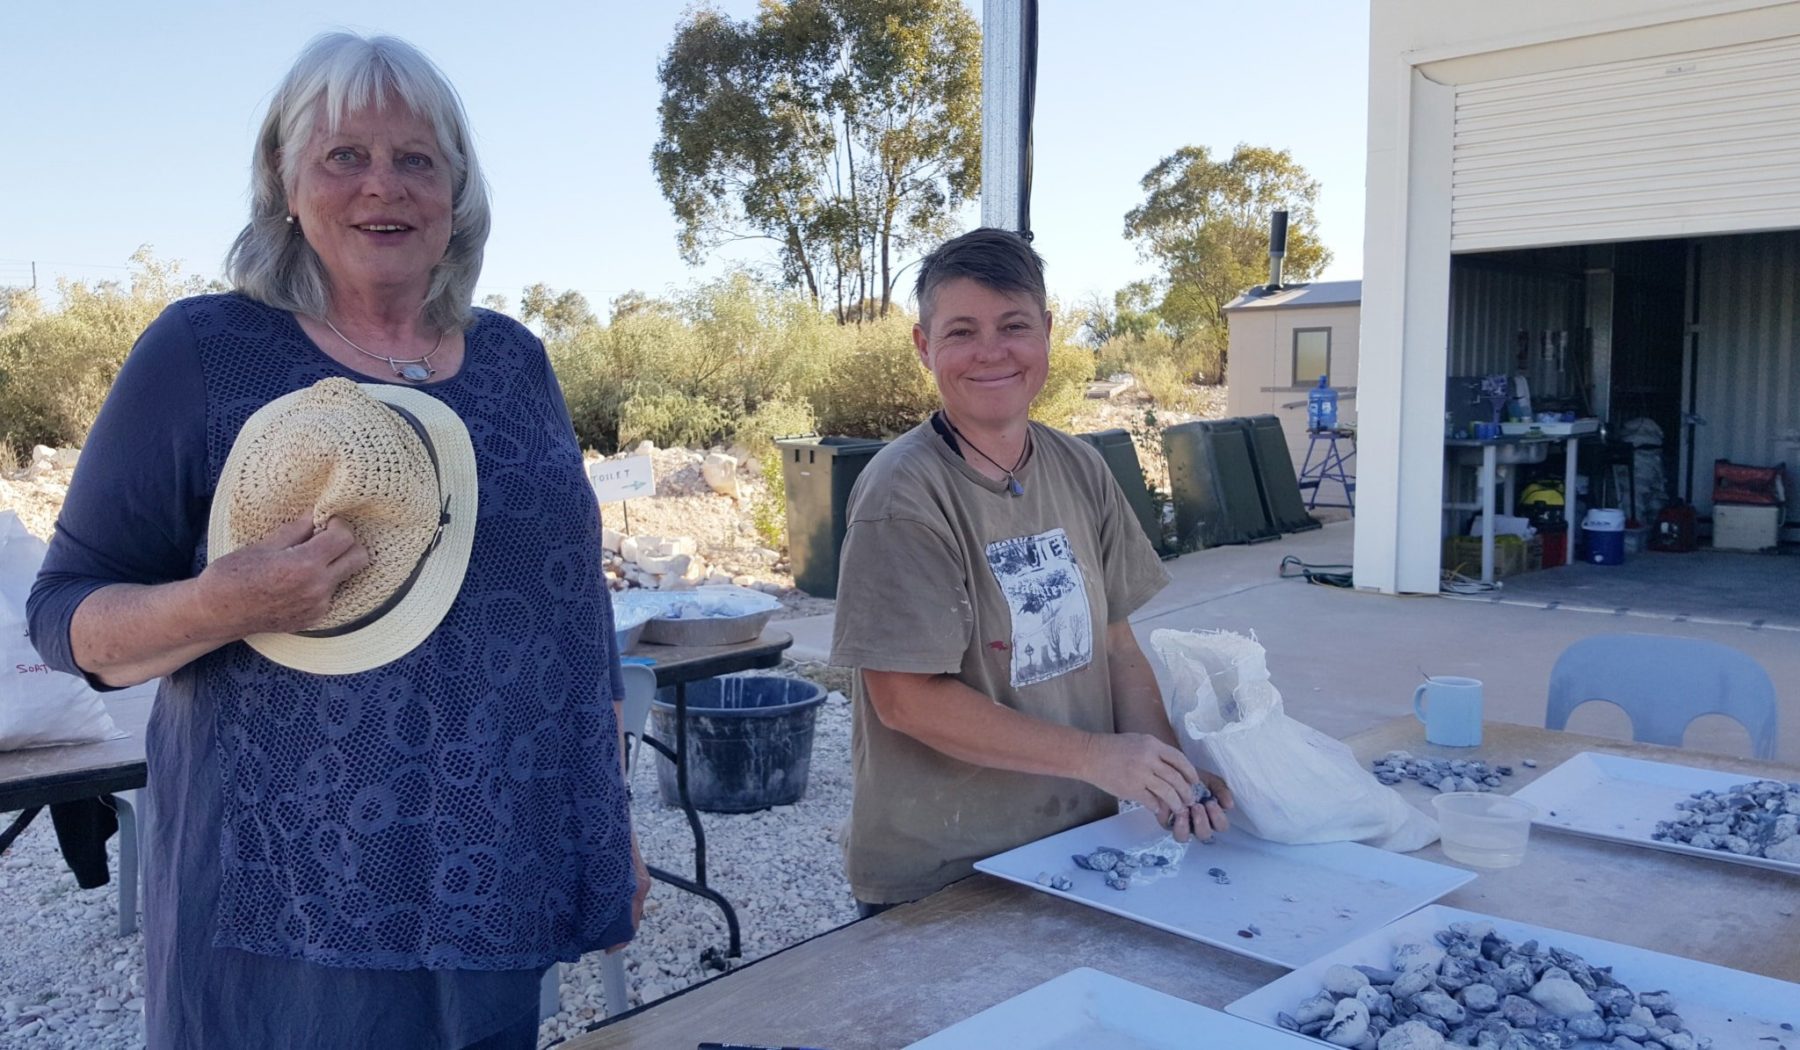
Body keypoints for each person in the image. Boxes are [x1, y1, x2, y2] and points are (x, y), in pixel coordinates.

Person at [26, 33, 645, 1049]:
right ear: (284, 181)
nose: (381, 189)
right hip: (286, 901)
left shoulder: (514, 363)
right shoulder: (203, 353)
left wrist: (607, 825)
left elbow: (574, 619)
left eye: (415, 159)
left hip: (491, 873)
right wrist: (219, 604)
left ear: (456, 189)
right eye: (343, 157)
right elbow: (63, 615)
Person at [830, 228, 1233, 914]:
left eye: (1013, 325)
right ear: (924, 346)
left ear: (1047, 332)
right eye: (962, 331)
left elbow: (1117, 648)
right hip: (950, 874)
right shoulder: (902, 495)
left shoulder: (1079, 467)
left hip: (1076, 846)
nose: (991, 352)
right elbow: (905, 699)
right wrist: (1097, 759)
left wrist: (1167, 778)